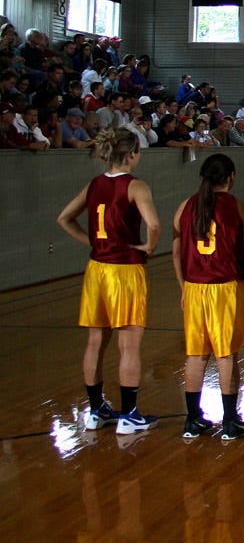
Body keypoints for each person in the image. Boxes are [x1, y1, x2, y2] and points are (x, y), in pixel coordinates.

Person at [56, 128, 162, 435]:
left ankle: (95, 411)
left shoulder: (94, 185)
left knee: (95, 343)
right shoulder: (136, 185)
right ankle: (129, 414)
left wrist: (91, 241)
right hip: (125, 269)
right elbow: (153, 225)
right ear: (131, 154)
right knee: (129, 345)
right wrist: (149, 246)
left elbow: (64, 218)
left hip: (96, 269)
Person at [171, 153, 244, 440]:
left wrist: (183, 286)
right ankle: (230, 421)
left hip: (195, 288)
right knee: (226, 356)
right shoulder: (240, 208)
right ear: (231, 177)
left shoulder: (186, 206)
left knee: (196, 355)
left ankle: (192, 419)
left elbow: (176, 248)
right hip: (226, 287)